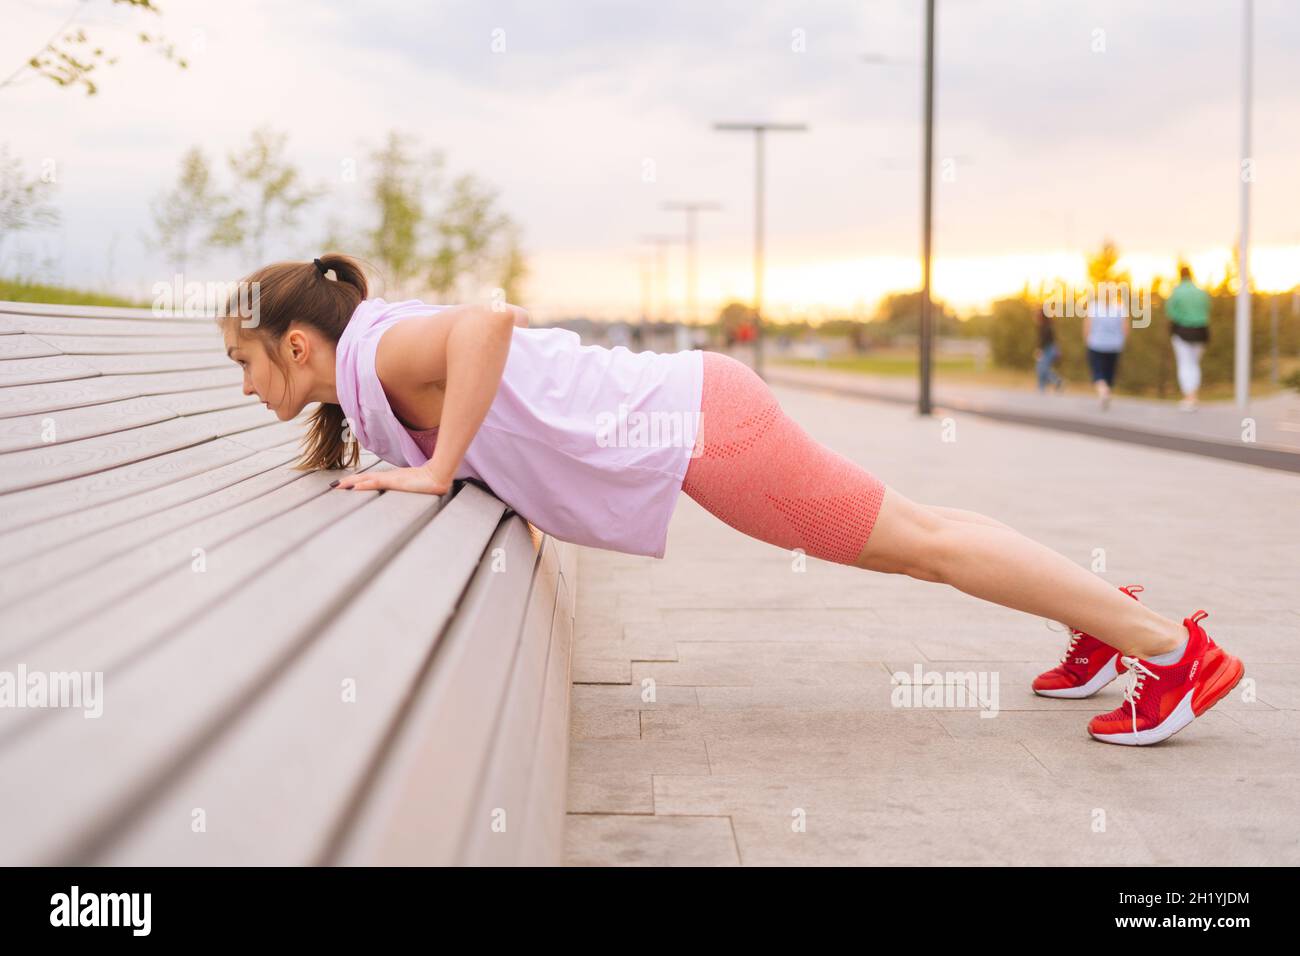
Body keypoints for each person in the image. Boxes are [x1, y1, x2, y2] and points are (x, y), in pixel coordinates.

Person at [220, 253, 1243, 746]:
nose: (242, 380)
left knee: (921, 540)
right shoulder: (364, 366)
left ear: (298, 343)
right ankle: (1103, 621)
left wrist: (439, 468)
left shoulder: (382, 347)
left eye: (243, 360)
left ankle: (1168, 648)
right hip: (703, 412)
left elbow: (491, 322)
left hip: (705, 427)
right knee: (923, 525)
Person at [1165, 266, 1211, 411]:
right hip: (1201, 331)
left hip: (1182, 331)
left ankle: (1189, 397)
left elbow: (1171, 312)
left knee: (1185, 364)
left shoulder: (1177, 292)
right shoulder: (1201, 292)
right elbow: (1207, 309)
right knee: (1194, 364)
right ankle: (1194, 395)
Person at [1083, 289, 1128, 409]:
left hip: (1096, 344)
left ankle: (1103, 391)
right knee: (1109, 372)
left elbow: (1087, 325)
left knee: (1098, 372)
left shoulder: (1094, 308)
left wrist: (1087, 339)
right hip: (1114, 345)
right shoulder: (1120, 309)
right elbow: (1125, 328)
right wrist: (1122, 341)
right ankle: (1107, 391)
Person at [1034, 305, 1064, 393]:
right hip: (1051, 348)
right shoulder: (1045, 325)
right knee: (1041, 368)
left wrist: (1039, 350)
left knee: (1042, 368)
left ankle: (1056, 382)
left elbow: (1045, 340)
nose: (1035, 315)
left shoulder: (1045, 326)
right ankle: (1043, 386)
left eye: (1037, 314)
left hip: (1048, 349)